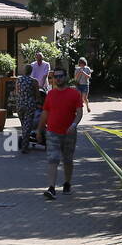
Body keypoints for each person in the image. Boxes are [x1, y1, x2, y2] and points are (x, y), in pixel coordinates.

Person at [35, 69, 84, 200]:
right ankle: (51, 188)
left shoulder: (74, 94)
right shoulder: (50, 94)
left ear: (66, 77)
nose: (57, 79)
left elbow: (79, 113)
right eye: (55, 77)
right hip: (52, 132)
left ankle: (67, 183)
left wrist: (73, 125)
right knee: (53, 159)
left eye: (60, 76)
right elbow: (45, 113)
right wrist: (39, 130)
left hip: (69, 133)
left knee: (67, 160)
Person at [14, 72, 40, 153]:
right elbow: (37, 93)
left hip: (20, 104)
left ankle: (24, 143)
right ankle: (24, 147)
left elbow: (16, 92)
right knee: (27, 126)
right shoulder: (33, 81)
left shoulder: (19, 80)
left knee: (23, 125)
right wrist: (37, 101)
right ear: (31, 71)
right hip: (29, 105)